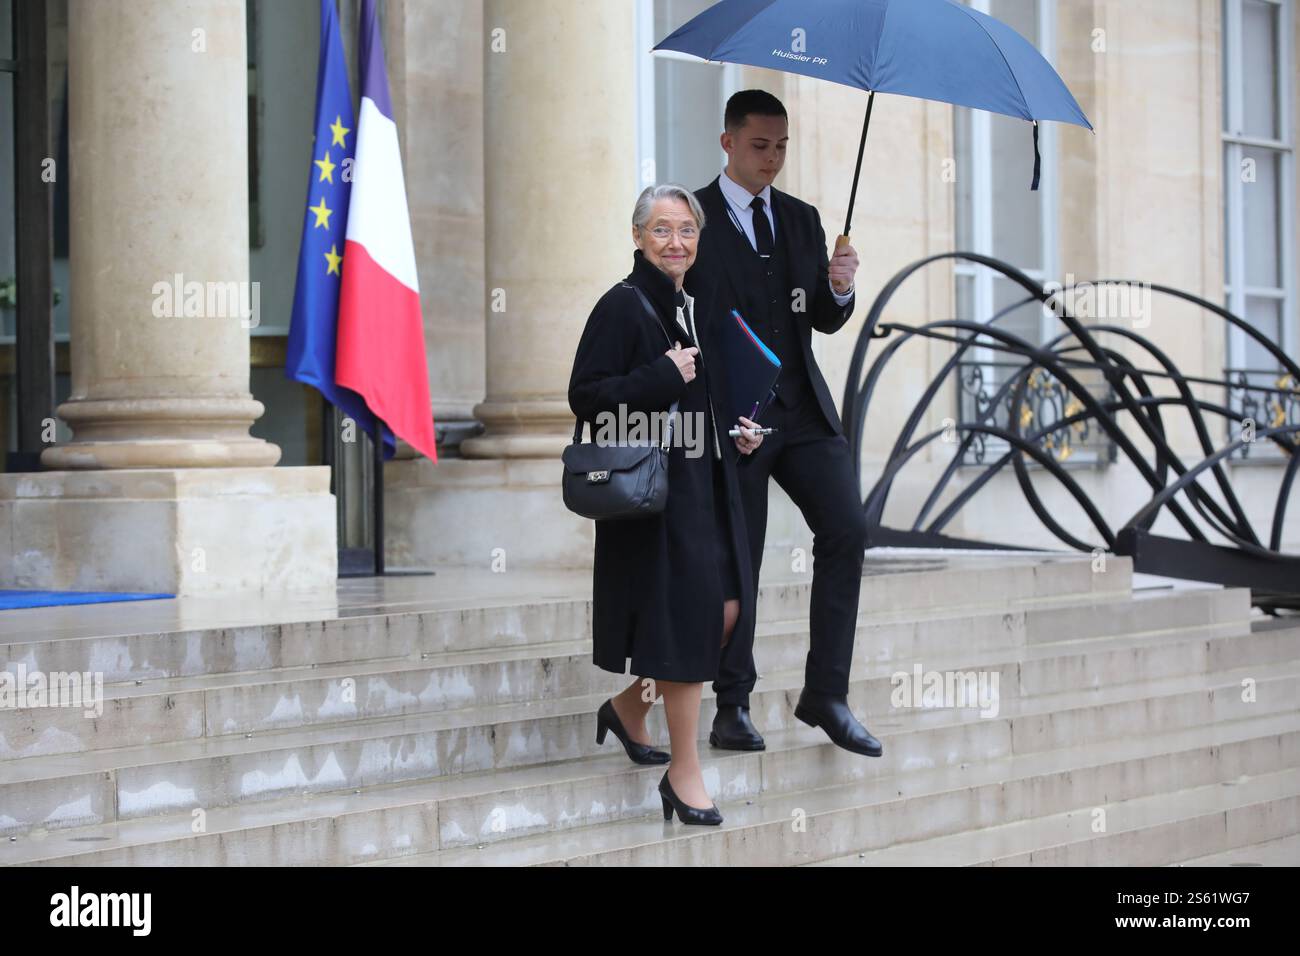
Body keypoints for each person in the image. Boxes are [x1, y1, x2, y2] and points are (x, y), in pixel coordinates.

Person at [684, 89, 884, 759]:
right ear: (728, 143)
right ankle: (731, 704)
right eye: (759, 146)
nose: (771, 159)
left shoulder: (801, 220)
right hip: (734, 417)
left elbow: (822, 319)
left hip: (800, 411)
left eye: (781, 147)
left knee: (848, 528)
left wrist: (841, 286)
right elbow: (668, 315)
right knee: (739, 558)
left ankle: (826, 693)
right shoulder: (693, 219)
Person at [568, 183, 764, 825]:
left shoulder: (692, 308)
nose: (676, 242)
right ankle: (685, 774)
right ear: (637, 237)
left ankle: (630, 708)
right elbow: (588, 399)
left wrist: (738, 432)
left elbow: (698, 402)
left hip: (703, 488)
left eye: (686, 230)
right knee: (692, 623)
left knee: (727, 610)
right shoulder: (622, 307)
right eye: (661, 229)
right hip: (657, 502)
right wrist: (661, 378)